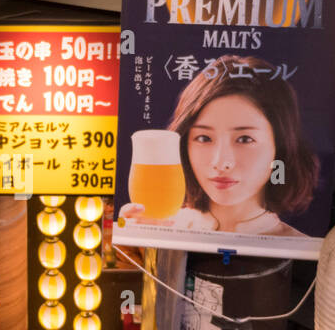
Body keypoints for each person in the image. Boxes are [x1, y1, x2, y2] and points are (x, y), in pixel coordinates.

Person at [120, 54, 317, 237]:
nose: (221, 163)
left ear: (280, 146)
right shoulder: (161, 228)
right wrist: (132, 246)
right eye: (204, 138)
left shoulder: (300, 248)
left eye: (245, 139)